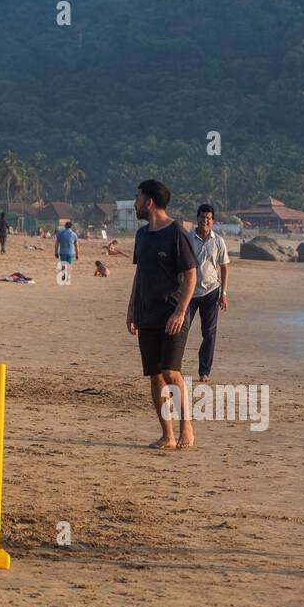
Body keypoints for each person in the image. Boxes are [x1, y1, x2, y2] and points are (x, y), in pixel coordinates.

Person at [126, 179, 197, 449]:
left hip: (172, 313)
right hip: (146, 313)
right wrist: (131, 307)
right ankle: (167, 435)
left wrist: (180, 311)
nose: (134, 203)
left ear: (149, 202)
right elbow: (139, 273)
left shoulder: (177, 232)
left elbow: (191, 273)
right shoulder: (142, 235)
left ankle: (186, 428)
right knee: (155, 374)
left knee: (170, 371)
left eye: (137, 197)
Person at [185, 203, 231, 383]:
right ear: (197, 218)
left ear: (213, 221)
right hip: (189, 292)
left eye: (208, 218)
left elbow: (224, 268)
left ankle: (204, 371)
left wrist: (224, 294)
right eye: (202, 217)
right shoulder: (188, 239)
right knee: (181, 329)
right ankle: (173, 366)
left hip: (212, 291)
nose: (205, 220)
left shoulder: (218, 241)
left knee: (209, 333)